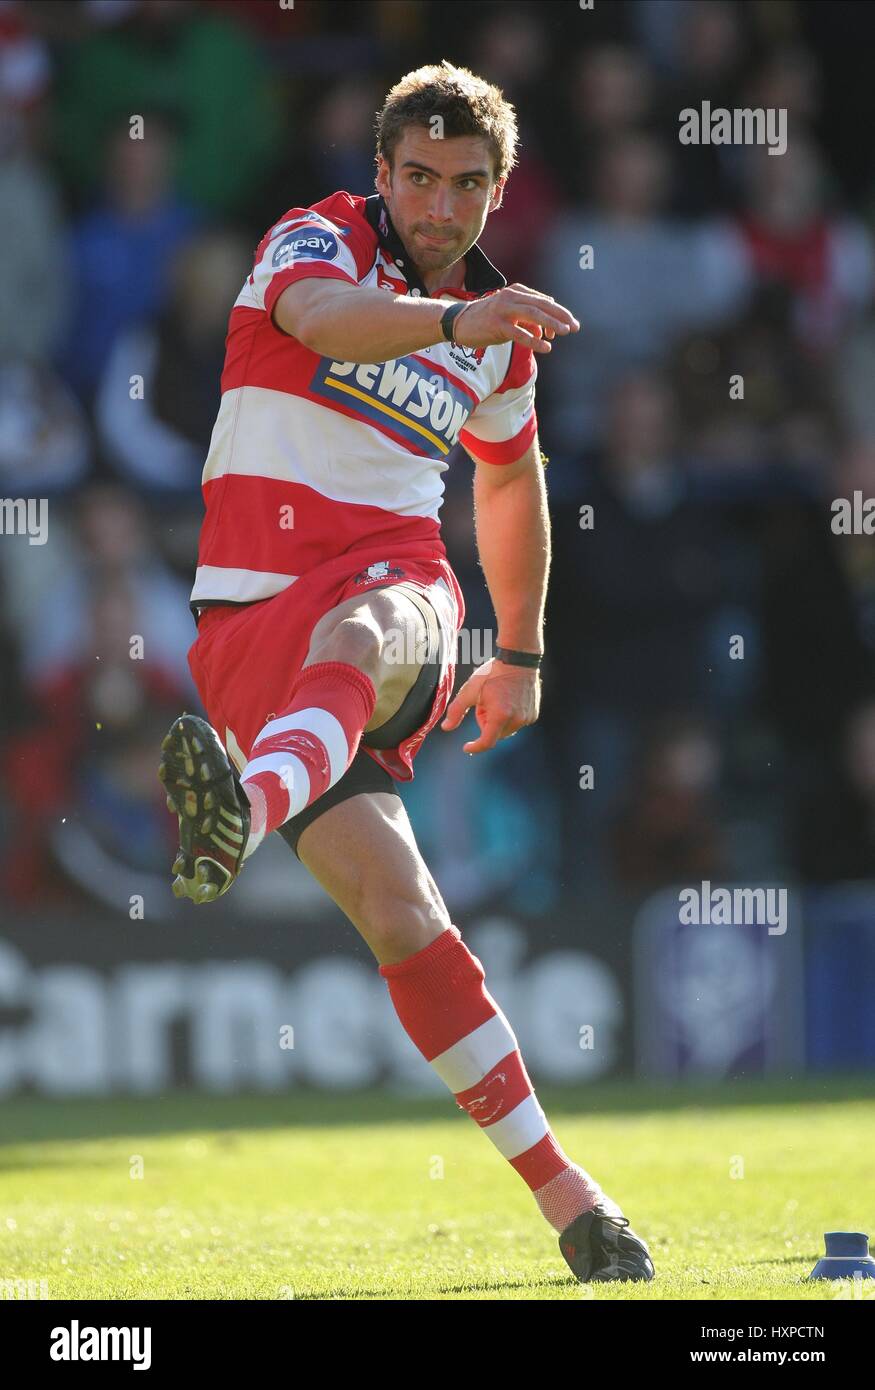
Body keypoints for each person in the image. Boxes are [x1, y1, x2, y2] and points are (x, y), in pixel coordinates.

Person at [158, 61, 653, 1286]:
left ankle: (240, 814)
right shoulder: (315, 240)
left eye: (466, 184)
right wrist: (449, 325)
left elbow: (506, 479)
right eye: (418, 178)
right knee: (403, 917)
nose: (440, 206)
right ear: (380, 173)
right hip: (248, 634)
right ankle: (572, 1198)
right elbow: (323, 322)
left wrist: (520, 651)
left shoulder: (498, 333)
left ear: (498, 190)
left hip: (393, 593)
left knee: (369, 627)